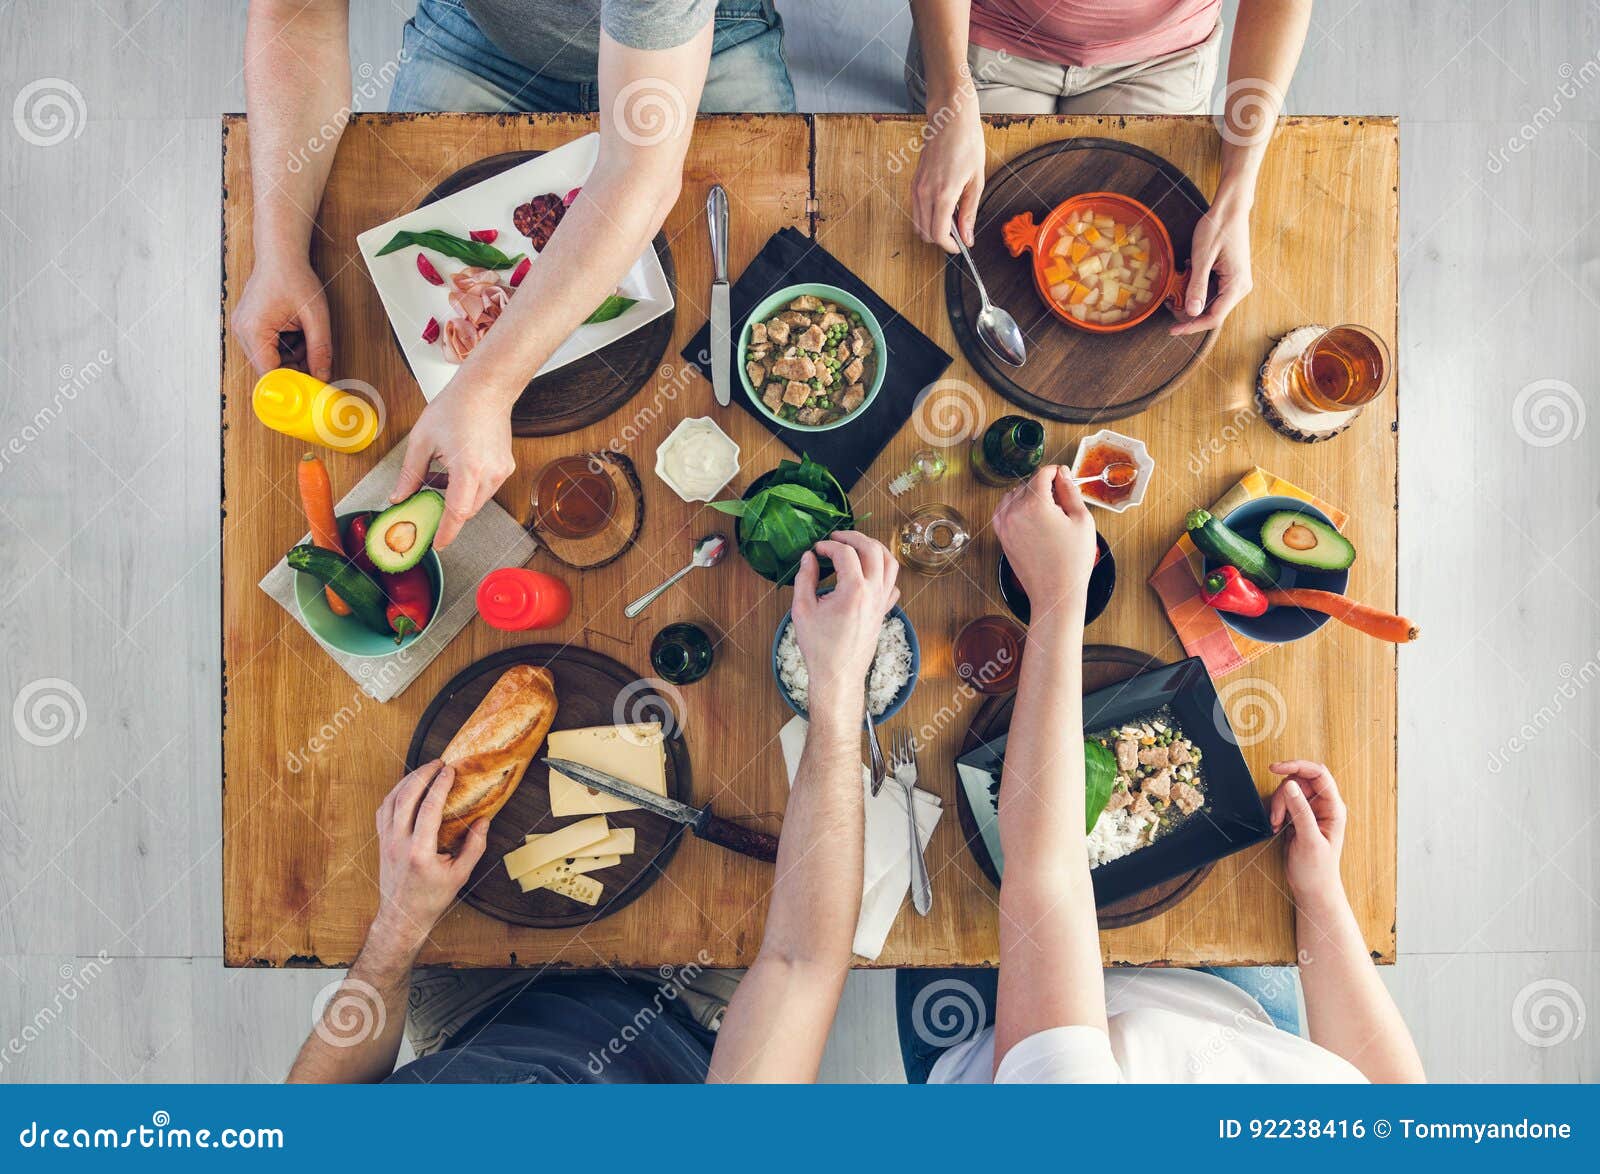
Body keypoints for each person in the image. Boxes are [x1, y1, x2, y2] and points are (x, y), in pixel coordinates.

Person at [285, 531, 898, 1083]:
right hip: (683, 1011)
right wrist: (837, 685)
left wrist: (397, 927)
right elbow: (800, 964)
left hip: (471, 1014)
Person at [896, 466, 1426, 1083]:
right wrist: (1320, 892)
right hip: (1233, 1007)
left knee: (931, 910)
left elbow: (1045, 880)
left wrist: (1059, 597)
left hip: (994, 1022)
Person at [232, 1, 795, 547]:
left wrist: (487, 386)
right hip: (478, 35)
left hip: (710, 39)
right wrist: (280, 251)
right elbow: (296, 14)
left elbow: (638, 174)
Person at [905, 0, 1313, 336]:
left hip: (1162, 59)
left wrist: (1237, 198)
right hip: (991, 38)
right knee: (962, 219)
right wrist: (949, 98)